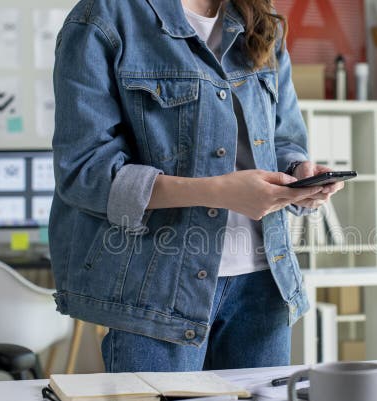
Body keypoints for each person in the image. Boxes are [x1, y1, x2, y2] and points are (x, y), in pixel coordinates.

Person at [50, 0, 344, 372]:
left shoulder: (260, 18)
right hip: (156, 294)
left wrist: (298, 172)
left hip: (263, 286)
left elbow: (281, 139)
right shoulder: (104, 17)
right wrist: (217, 192)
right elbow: (85, 173)